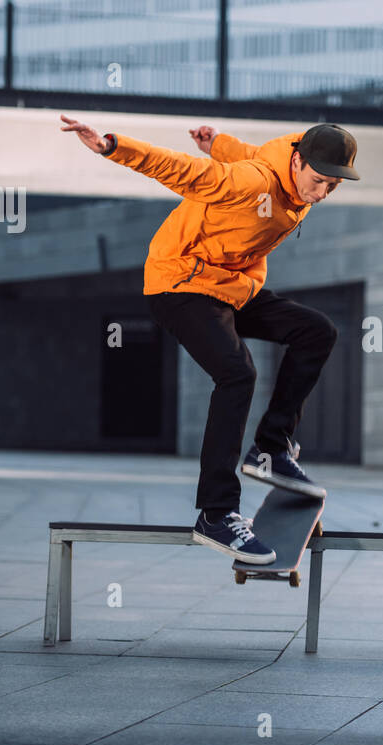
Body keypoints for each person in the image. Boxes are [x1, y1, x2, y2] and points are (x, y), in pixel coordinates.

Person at [60, 115, 359, 565]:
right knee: (237, 374)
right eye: (317, 182)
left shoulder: (279, 163)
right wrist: (111, 146)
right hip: (178, 285)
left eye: (332, 186)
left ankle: (271, 450)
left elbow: (243, 152)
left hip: (229, 287)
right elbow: (180, 169)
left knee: (317, 330)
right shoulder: (251, 181)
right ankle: (216, 513)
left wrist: (216, 140)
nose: (319, 194)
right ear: (297, 162)